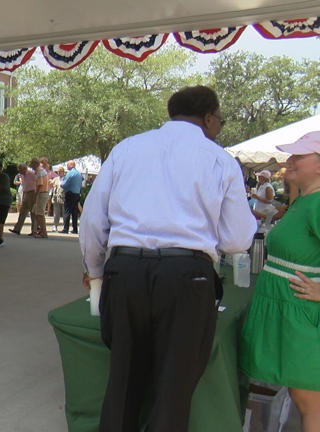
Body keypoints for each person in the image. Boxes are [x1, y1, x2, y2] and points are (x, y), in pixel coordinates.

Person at [79, 85, 256, 431]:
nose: (218, 126)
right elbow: (237, 240)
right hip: (187, 278)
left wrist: (95, 271)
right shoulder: (220, 159)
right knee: (173, 388)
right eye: (218, 119)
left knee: (123, 382)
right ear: (207, 118)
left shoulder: (127, 148)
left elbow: (92, 220)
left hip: (125, 271)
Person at [240, 131, 320, 431]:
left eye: (300, 156)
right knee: (304, 400)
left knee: (310, 404)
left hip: (302, 319)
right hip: (288, 316)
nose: (291, 161)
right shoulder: (303, 202)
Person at [9, 160, 37, 235]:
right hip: (25, 192)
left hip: (32, 192)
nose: (19, 171)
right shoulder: (21, 175)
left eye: (20, 169)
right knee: (22, 211)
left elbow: (37, 182)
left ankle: (34, 230)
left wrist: (36, 195)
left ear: (24, 168)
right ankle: (17, 229)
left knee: (33, 212)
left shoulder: (31, 173)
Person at [60, 160, 83, 234]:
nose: (67, 167)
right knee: (74, 212)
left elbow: (64, 184)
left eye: (67, 165)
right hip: (77, 194)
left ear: (70, 165)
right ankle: (75, 229)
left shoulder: (70, 173)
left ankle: (65, 229)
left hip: (70, 193)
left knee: (67, 211)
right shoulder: (79, 174)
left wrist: (61, 184)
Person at [32, 158, 49, 238]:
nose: (31, 166)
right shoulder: (41, 170)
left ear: (35, 164)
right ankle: (41, 230)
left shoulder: (39, 172)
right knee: (35, 212)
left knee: (39, 214)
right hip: (42, 193)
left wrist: (35, 195)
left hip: (41, 194)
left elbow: (40, 184)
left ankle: (43, 232)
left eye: (32, 164)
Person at [51, 166, 66, 232]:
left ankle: (65, 227)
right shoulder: (55, 179)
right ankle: (55, 226)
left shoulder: (65, 179)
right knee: (56, 213)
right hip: (56, 197)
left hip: (63, 197)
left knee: (64, 213)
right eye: (58, 172)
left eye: (60, 171)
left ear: (63, 172)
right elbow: (51, 184)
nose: (59, 173)